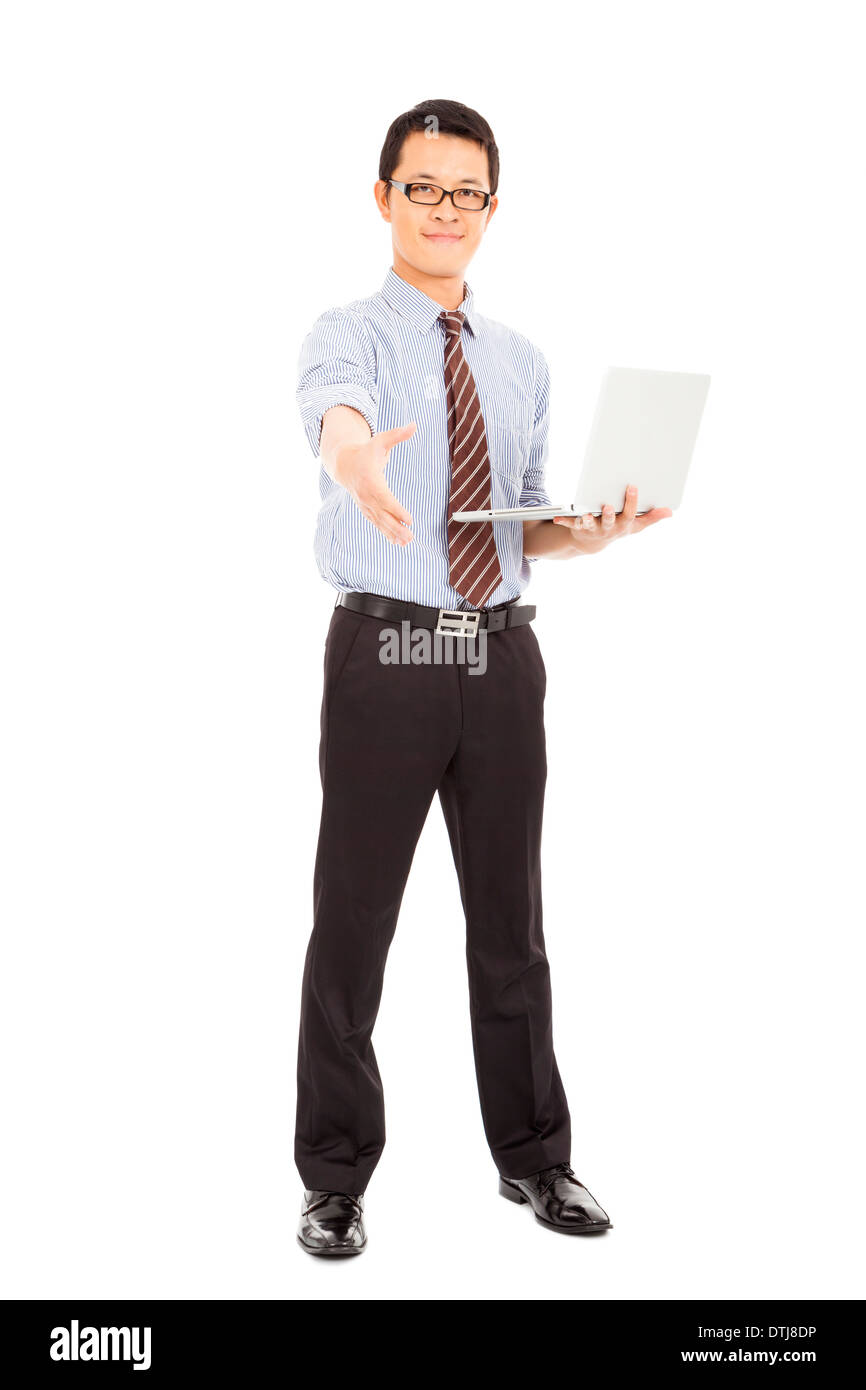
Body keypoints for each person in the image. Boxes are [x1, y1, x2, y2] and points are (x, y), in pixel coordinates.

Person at [293, 98, 672, 1257]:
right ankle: (334, 1178)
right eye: (423, 188)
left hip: (500, 654)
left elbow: (524, 521)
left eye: (466, 193)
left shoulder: (518, 360)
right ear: (383, 198)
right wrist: (354, 458)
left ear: (489, 209)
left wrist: (588, 531)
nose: (445, 210)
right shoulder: (345, 330)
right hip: (388, 650)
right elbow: (333, 416)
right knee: (353, 922)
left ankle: (535, 1160)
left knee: (511, 923)